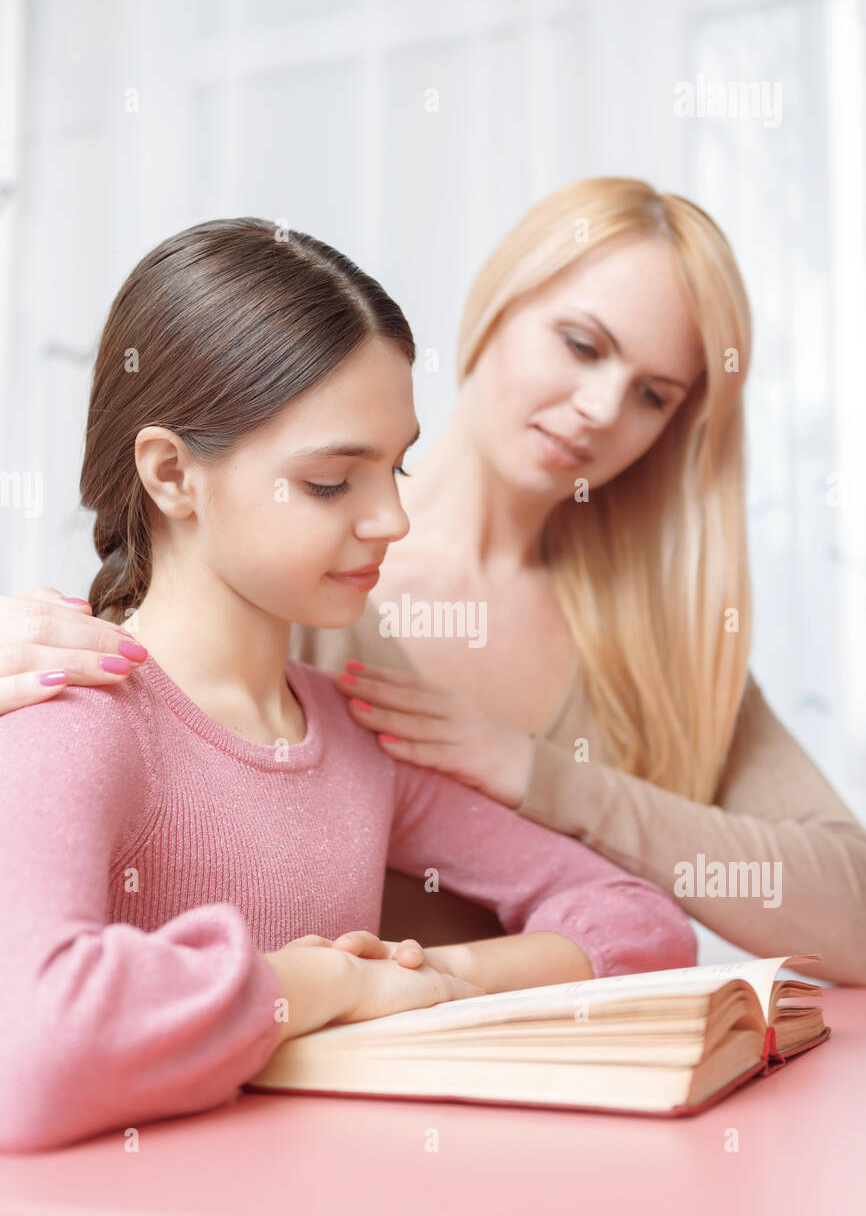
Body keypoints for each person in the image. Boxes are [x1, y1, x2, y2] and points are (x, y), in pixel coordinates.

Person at [6, 180, 863, 984]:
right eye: (580, 345)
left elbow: (838, 913)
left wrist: (545, 781)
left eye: (653, 394)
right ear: (495, 309)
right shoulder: (292, 583)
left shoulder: (657, 638)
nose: (602, 407)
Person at [0, 217, 696, 1152]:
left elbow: (639, 922)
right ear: (173, 474)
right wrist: (320, 985)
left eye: (397, 465)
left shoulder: (355, 734)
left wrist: (429, 976)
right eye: (333, 483)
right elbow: (30, 1053)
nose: (394, 518)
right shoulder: (78, 714)